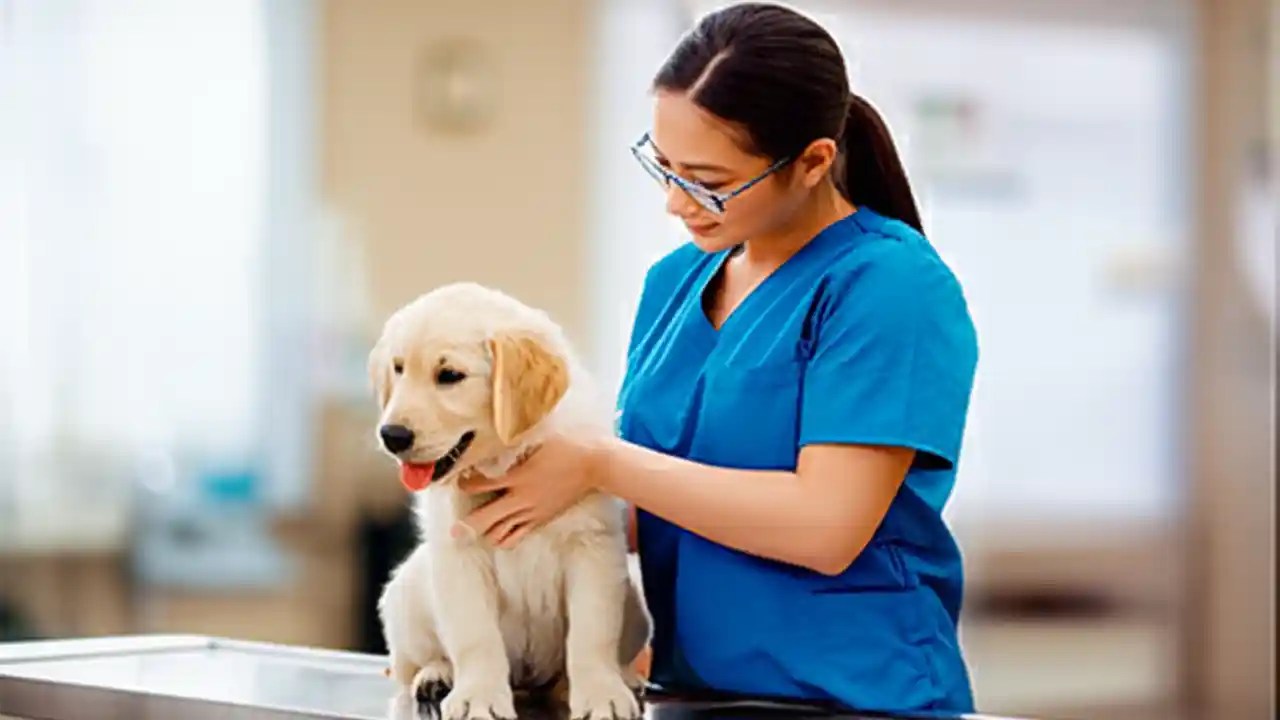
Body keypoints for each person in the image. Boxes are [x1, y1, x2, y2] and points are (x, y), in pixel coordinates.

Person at [457, 2, 978, 714]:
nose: (676, 201)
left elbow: (827, 526)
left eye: (706, 179)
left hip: (857, 694)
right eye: (663, 165)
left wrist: (597, 463)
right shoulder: (674, 284)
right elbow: (658, 501)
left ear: (813, 161)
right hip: (696, 689)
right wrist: (508, 484)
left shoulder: (890, 288)